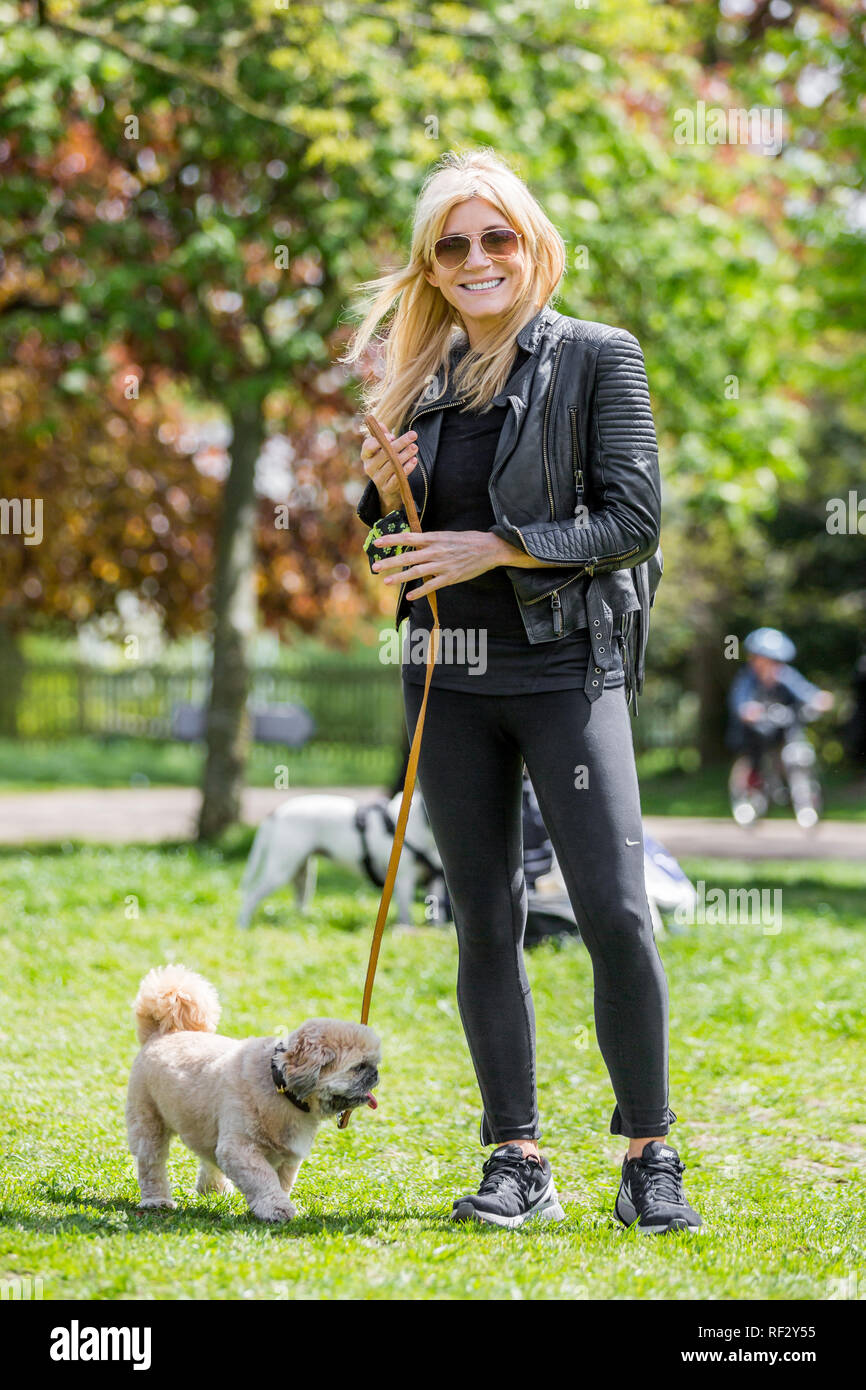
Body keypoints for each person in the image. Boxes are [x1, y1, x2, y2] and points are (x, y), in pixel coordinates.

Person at [341, 148, 700, 1234]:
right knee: (480, 917)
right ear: (430, 265)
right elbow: (394, 545)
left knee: (614, 911)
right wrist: (385, 505)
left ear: (532, 243)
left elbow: (630, 522)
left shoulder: (597, 357)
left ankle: (648, 1152)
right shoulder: (421, 378)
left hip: (564, 670)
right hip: (445, 683)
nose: (475, 258)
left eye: (494, 235)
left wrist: (494, 548)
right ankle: (517, 1156)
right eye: (450, 244)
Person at [727, 627, 834, 822]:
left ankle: (804, 799)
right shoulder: (747, 679)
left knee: (798, 754)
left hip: (784, 730)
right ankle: (749, 796)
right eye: (763, 659)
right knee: (753, 759)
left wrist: (819, 699)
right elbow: (740, 703)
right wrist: (749, 711)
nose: (769, 665)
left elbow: (806, 692)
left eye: (774, 661)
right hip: (757, 734)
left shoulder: (785, 676)